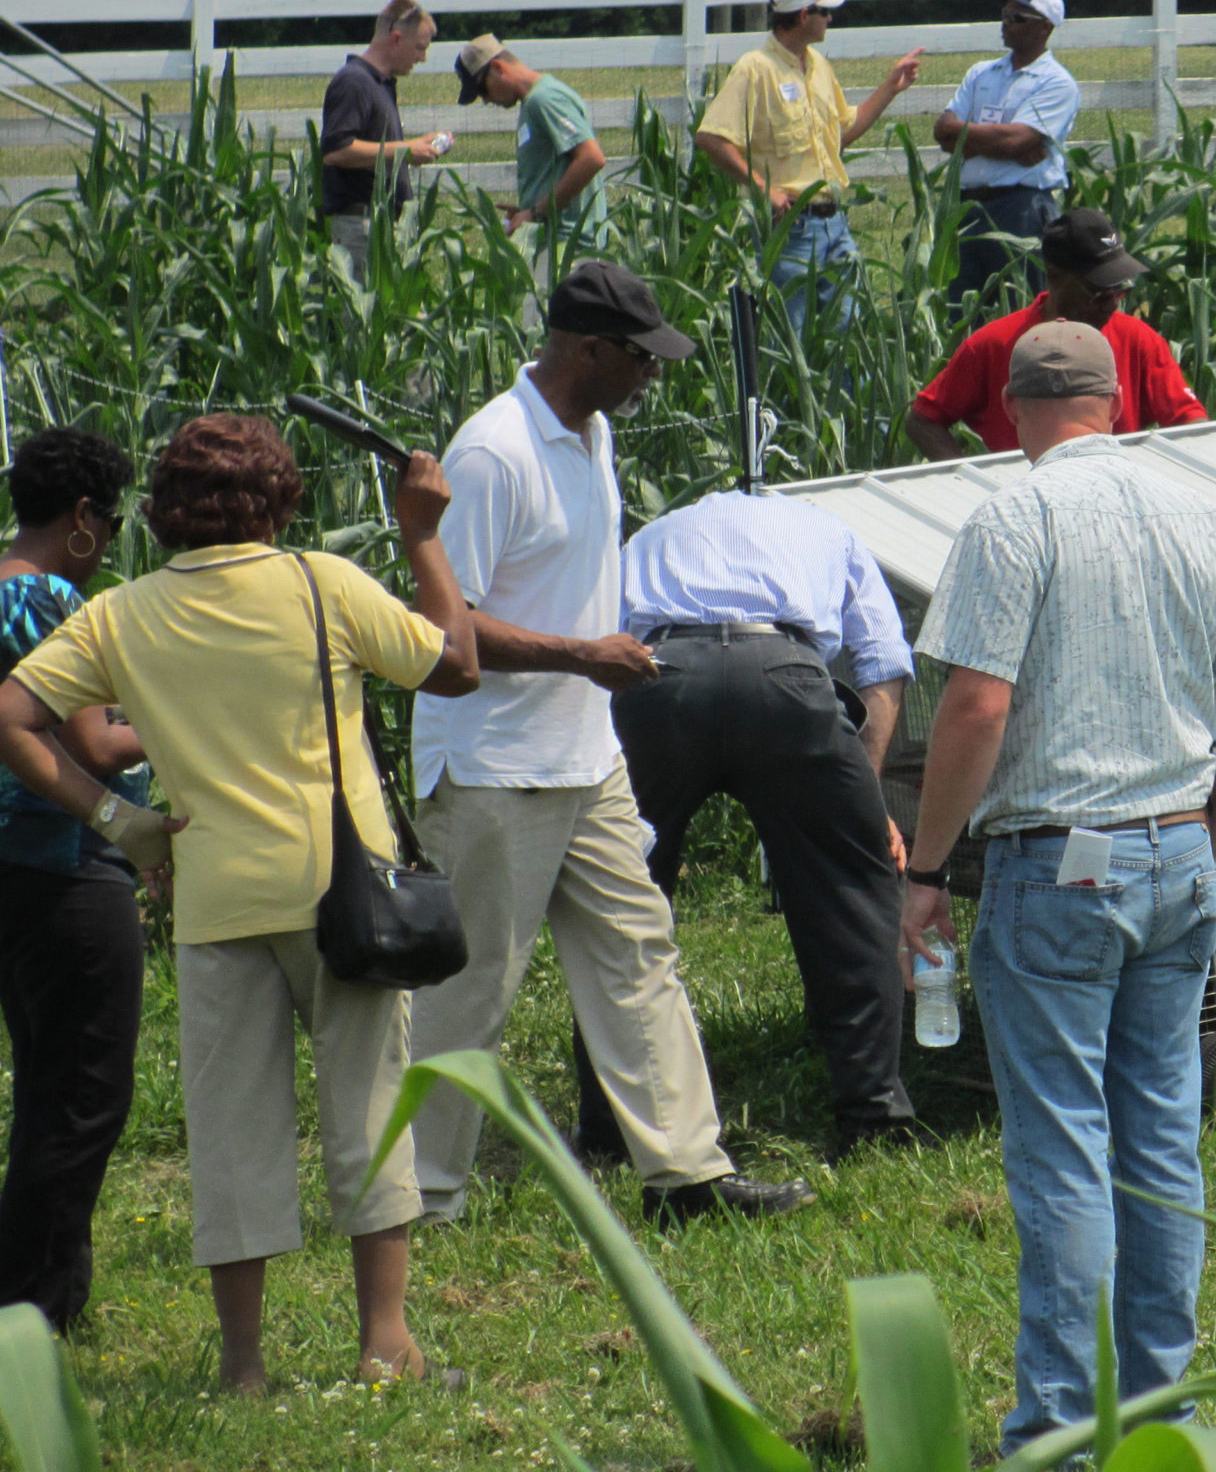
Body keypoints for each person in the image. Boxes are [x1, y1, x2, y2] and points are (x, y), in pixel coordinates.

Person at [0, 414, 480, 1390]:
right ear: (279, 497)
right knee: (368, 1108)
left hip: (209, 890)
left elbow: (13, 714)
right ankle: (386, 1344)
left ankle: (243, 1365)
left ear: (166, 511)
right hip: (339, 893)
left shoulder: (121, 613)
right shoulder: (321, 584)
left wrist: (120, 825)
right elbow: (456, 663)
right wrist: (422, 535)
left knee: (230, 1129)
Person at [900, 320, 1216, 1452]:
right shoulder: (1195, 513)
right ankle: (1161, 1411)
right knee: (1162, 1134)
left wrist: (925, 871)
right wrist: (1206, 832)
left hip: (1060, 862)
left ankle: (1063, 1430)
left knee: (1063, 1142)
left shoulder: (1012, 517)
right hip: (1176, 850)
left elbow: (976, 710)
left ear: (1011, 409)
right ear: (1117, 400)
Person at [404, 263, 813, 1230]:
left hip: (588, 760)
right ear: (588, 350)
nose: (652, 377)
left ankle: (686, 1177)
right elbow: (445, 622)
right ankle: (420, 1199)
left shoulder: (595, 432)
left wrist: (588, 673)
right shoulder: (495, 452)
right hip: (495, 766)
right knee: (472, 991)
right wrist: (582, 654)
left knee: (640, 954)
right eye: (641, 358)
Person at [567, 488, 923, 1162]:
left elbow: (601, 650)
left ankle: (611, 1130)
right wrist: (864, 802)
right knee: (851, 891)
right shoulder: (831, 529)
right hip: (785, 678)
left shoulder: (653, 535)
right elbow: (882, 665)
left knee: (617, 900)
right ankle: (872, 1115)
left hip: (661, 680)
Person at [0, 429, 146, 1333]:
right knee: (85, 1092)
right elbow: (93, 744)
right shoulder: (49, 597)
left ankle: (48, 1289)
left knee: (43, 1078)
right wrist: (181, 720)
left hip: (10, 872)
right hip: (65, 863)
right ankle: (31, 1307)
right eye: (115, 517)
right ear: (84, 517)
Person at [694, 0, 926, 332]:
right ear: (804, 16)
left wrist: (890, 88)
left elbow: (840, 136)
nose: (830, 19)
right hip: (790, 226)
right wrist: (762, 187)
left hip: (835, 223)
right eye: (824, 12)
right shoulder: (754, 69)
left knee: (849, 334)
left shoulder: (818, 66)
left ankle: (845, 392)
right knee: (790, 334)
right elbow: (711, 137)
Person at [905, 207, 1208, 459]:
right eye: (1099, 290)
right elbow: (923, 420)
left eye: (1120, 289)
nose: (1112, 303)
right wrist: (972, 484)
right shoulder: (994, 343)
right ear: (1055, 276)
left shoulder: (1139, 340)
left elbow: (1191, 424)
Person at [934, 0, 1081, 303]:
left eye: (1018, 17)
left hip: (1021, 208)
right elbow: (943, 131)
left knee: (1019, 306)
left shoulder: (1056, 83)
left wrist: (974, 139)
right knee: (961, 308)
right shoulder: (981, 73)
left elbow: (1018, 140)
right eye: (1005, 15)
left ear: (1045, 26)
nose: (1006, 23)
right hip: (967, 208)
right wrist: (1008, 144)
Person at [452, 33, 609, 268]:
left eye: (482, 90)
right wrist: (525, 211)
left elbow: (591, 159)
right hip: (557, 241)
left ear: (497, 67)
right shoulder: (533, 101)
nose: (485, 100)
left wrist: (536, 212)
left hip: (569, 246)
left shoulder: (544, 99)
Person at [319, 0, 445, 282]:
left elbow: (376, 148)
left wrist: (415, 147)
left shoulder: (380, 84)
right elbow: (336, 151)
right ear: (397, 38)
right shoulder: (354, 81)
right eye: (420, 48)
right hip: (362, 228)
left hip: (380, 227)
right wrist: (405, 149)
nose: (422, 58)